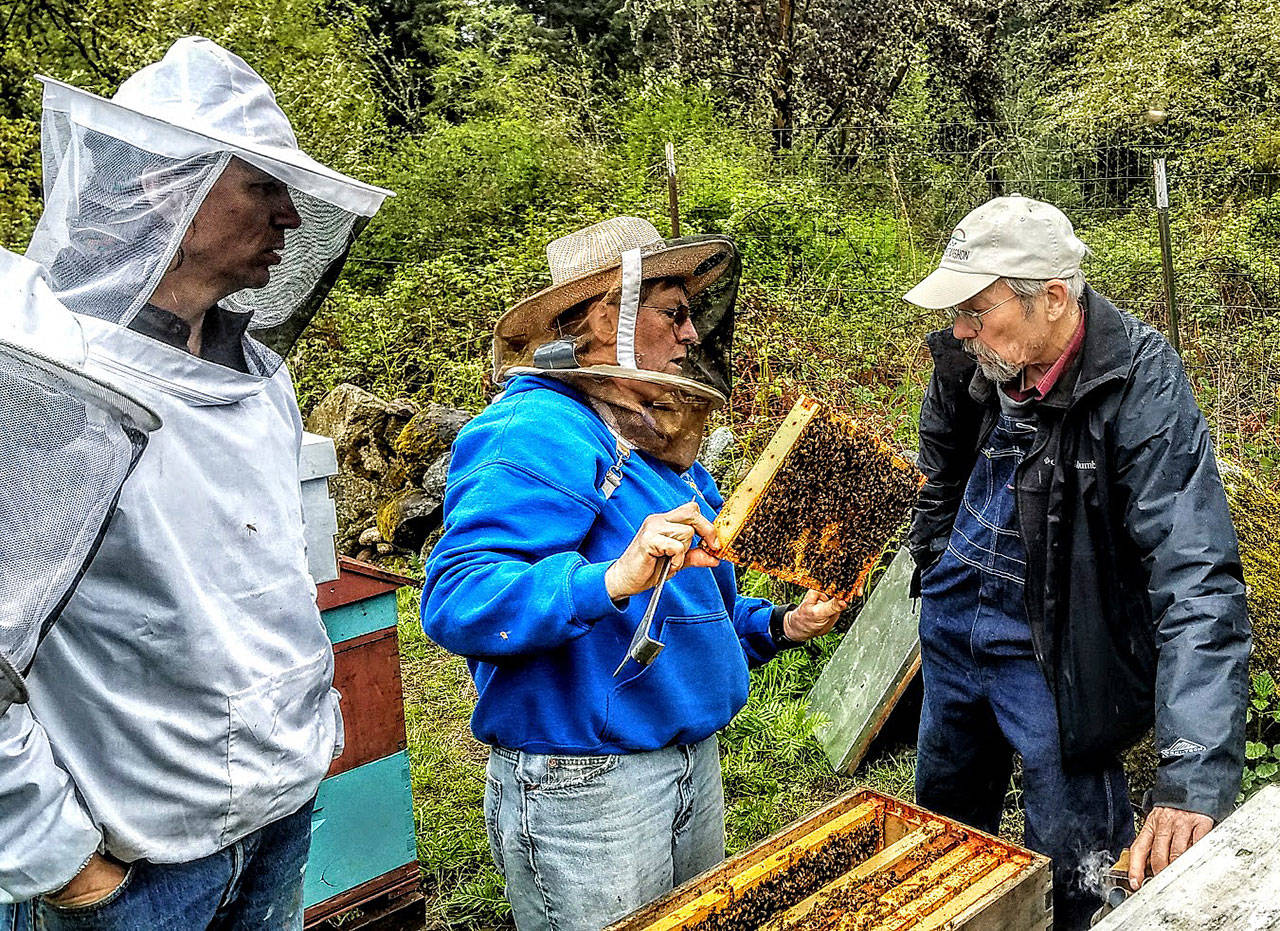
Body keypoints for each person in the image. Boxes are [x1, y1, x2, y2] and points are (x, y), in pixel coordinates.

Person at [0, 37, 390, 929]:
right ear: (162, 183)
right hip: (133, 870)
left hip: (277, 821)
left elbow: (267, 590)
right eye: (264, 185)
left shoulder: (257, 375)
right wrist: (63, 863)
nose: (292, 216)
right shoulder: (44, 380)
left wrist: (303, 746)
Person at [422, 216, 846, 931]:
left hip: (688, 760)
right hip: (589, 782)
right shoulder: (538, 427)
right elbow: (458, 596)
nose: (691, 334)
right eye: (672, 313)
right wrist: (610, 578)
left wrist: (778, 623)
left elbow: (692, 602)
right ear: (605, 318)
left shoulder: (652, 437)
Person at [902, 194, 1250, 928]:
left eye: (976, 311)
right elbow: (940, 469)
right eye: (957, 311)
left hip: (1056, 653)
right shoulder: (973, 355)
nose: (959, 330)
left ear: (1054, 298)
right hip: (952, 626)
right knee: (939, 841)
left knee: (1077, 866)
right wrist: (932, 568)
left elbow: (1195, 574)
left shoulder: (1138, 382)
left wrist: (1192, 772)